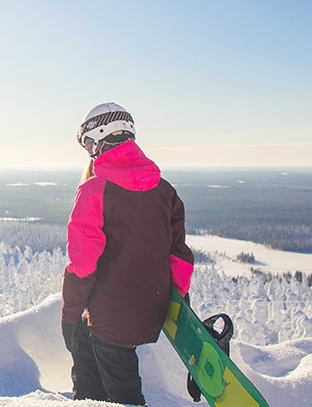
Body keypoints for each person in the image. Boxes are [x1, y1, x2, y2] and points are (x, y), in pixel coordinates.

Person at [61, 103, 194, 405]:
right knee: (86, 346)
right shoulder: (165, 190)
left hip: (112, 316)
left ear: (98, 138)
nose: (89, 151)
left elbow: (82, 265)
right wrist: (178, 301)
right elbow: (179, 257)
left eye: (88, 143)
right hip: (152, 310)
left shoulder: (95, 190)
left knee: (123, 393)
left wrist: (69, 316)